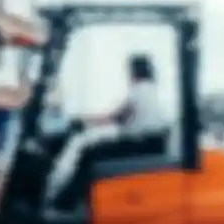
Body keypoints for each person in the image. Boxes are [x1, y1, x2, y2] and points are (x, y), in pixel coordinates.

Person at [50, 53, 170, 211]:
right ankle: (76, 201)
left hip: (138, 145)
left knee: (89, 153)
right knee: (95, 150)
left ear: (135, 71)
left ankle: (65, 204)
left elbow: (117, 116)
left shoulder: (138, 90)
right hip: (149, 144)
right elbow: (123, 118)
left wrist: (84, 121)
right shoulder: (151, 90)